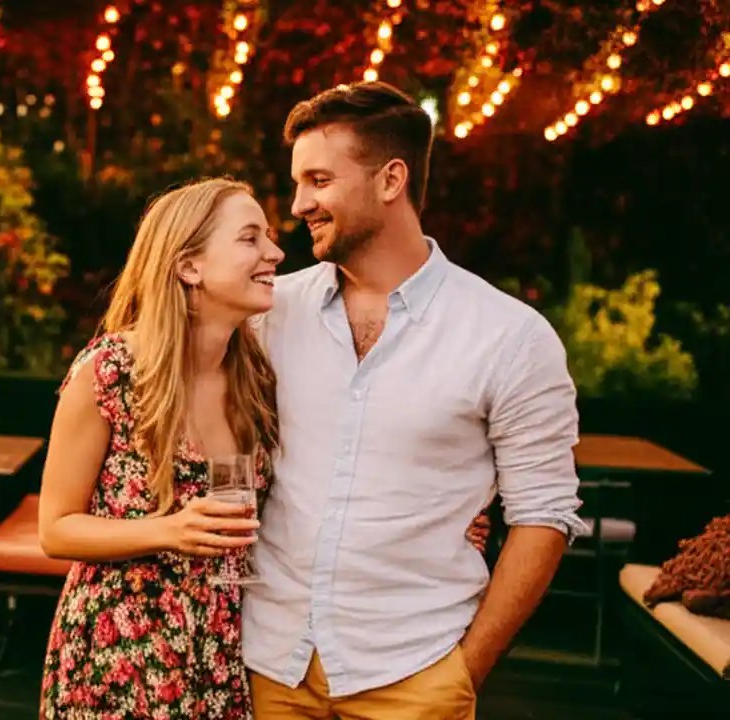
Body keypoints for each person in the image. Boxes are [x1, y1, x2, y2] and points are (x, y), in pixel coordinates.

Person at [36, 177, 492, 718]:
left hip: (225, 646)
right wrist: (170, 530)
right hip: (122, 646)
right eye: (250, 238)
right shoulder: (109, 372)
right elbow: (56, 527)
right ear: (189, 266)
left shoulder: (255, 373)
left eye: (270, 237)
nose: (276, 252)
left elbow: (341, 454)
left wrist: (450, 516)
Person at [243, 80, 588, 720]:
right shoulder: (268, 314)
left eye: (318, 180)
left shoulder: (509, 337)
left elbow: (544, 517)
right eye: (297, 183)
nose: (298, 205)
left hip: (414, 672)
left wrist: (464, 671)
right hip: (269, 664)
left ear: (391, 179)